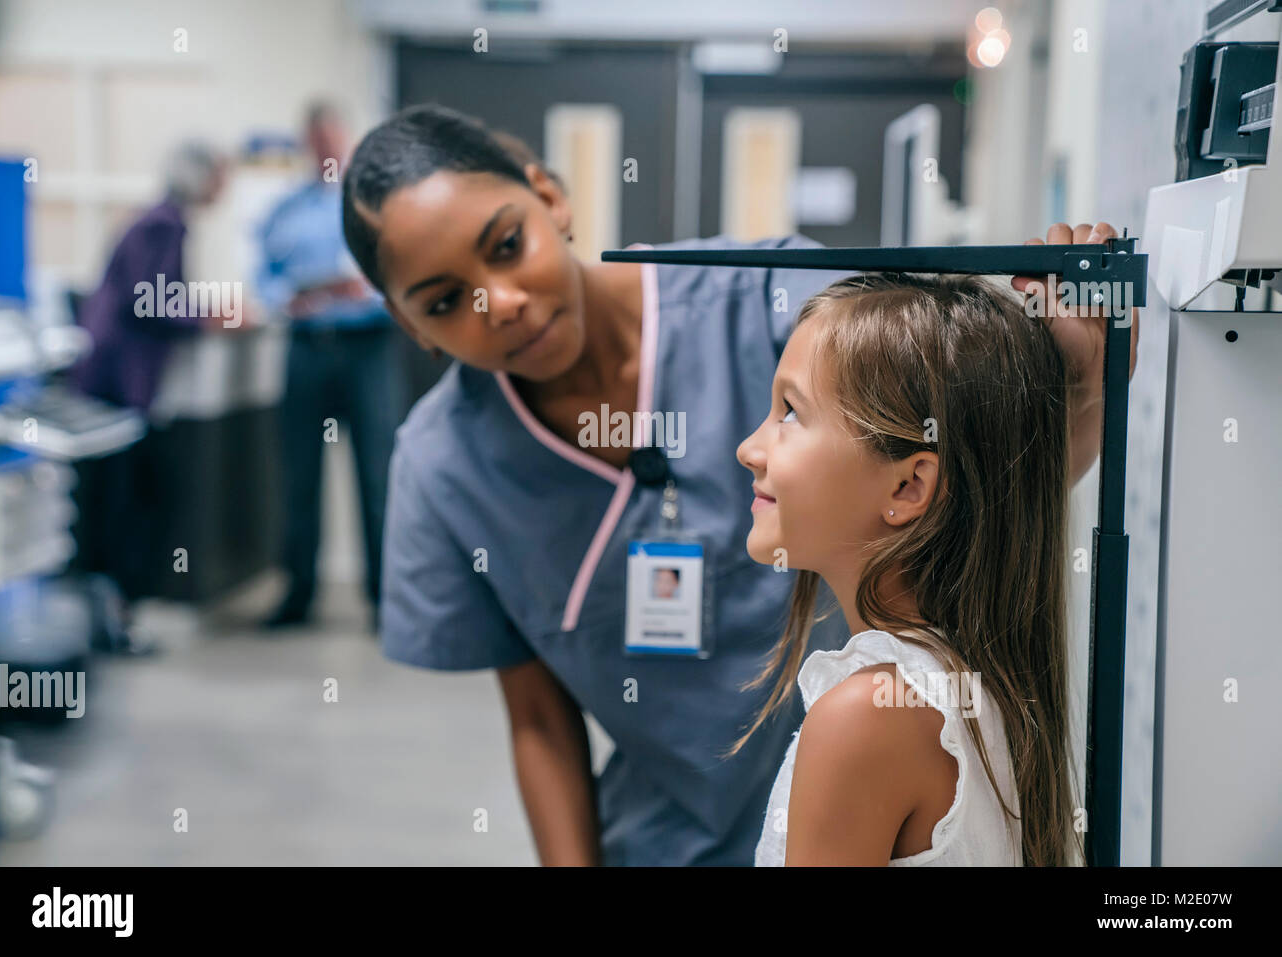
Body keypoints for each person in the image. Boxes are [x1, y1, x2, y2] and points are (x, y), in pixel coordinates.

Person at [341, 103, 1134, 865]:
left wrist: (1082, 392)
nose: (501, 302)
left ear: (549, 195)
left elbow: (976, 495)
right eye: (445, 301)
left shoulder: (775, 303)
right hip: (666, 840)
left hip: (885, 805)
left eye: (507, 244)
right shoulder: (444, 468)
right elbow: (540, 718)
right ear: (411, 327)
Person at [742, 271, 1134, 866]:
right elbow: (997, 502)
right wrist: (1080, 394)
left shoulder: (868, 717)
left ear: (908, 485)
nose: (751, 447)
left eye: (790, 413)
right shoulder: (968, 682)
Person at [71, 140, 229, 653]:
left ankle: (111, 618)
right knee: (128, 509)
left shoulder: (158, 221)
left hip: (114, 387)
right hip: (119, 390)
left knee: (122, 505)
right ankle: (115, 622)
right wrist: (210, 317)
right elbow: (150, 302)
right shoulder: (164, 225)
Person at [257, 101, 404, 630]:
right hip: (306, 349)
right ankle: (297, 595)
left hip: (367, 350)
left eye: (333, 139)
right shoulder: (283, 210)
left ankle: (384, 602)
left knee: (376, 476)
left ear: (346, 143)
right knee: (299, 477)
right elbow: (264, 280)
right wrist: (289, 296)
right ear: (306, 144)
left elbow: (403, 279)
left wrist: (365, 291)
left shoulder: (376, 209)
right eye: (316, 140)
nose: (325, 150)